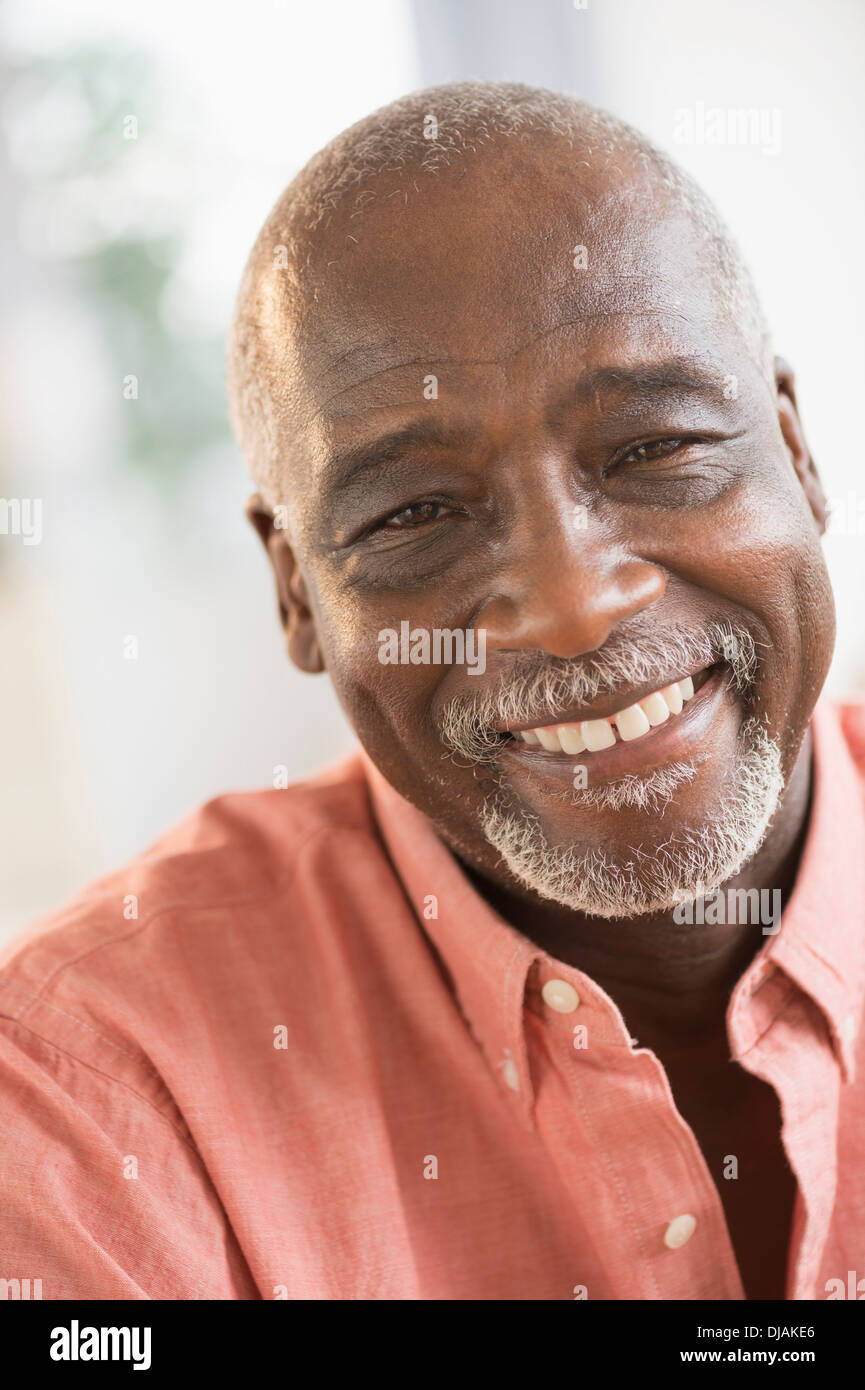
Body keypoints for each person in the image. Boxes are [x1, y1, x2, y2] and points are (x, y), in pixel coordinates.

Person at [1, 81, 862, 1302]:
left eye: (654, 446)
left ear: (797, 449)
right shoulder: (88, 1091)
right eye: (414, 515)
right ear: (297, 594)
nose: (571, 606)